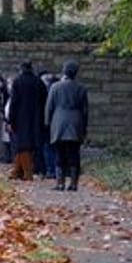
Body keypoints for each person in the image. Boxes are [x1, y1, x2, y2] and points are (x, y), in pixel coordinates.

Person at [46, 61, 90, 191]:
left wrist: (48, 123)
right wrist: (84, 127)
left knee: (59, 153)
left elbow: (49, 107)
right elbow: (85, 110)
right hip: (76, 122)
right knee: (74, 153)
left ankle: (60, 183)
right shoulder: (81, 88)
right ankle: (74, 183)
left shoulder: (55, 87)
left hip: (59, 122)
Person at [6, 61, 47, 181]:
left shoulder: (18, 82)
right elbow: (44, 100)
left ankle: (26, 172)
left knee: (22, 146)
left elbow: (14, 102)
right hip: (36, 117)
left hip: (21, 117)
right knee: (30, 145)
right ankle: (17, 171)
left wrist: (11, 120)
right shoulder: (38, 82)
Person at [39, 70, 59, 179]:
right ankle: (55, 169)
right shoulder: (56, 89)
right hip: (56, 122)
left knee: (48, 147)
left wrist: (46, 122)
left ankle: (50, 169)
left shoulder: (48, 91)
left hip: (49, 122)